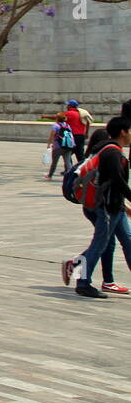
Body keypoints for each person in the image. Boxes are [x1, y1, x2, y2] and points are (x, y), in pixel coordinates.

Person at [62, 117, 131, 298]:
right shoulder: (112, 153)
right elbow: (117, 180)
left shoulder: (110, 150)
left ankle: (78, 269)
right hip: (108, 207)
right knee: (100, 244)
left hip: (114, 206)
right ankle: (83, 283)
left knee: (127, 241)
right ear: (123, 132)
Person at [45, 111, 77, 180]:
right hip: (68, 146)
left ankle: (50, 176)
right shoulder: (67, 125)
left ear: (56, 118)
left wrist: (49, 144)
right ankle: (71, 177)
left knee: (54, 162)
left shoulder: (55, 126)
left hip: (58, 146)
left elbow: (52, 136)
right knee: (68, 162)